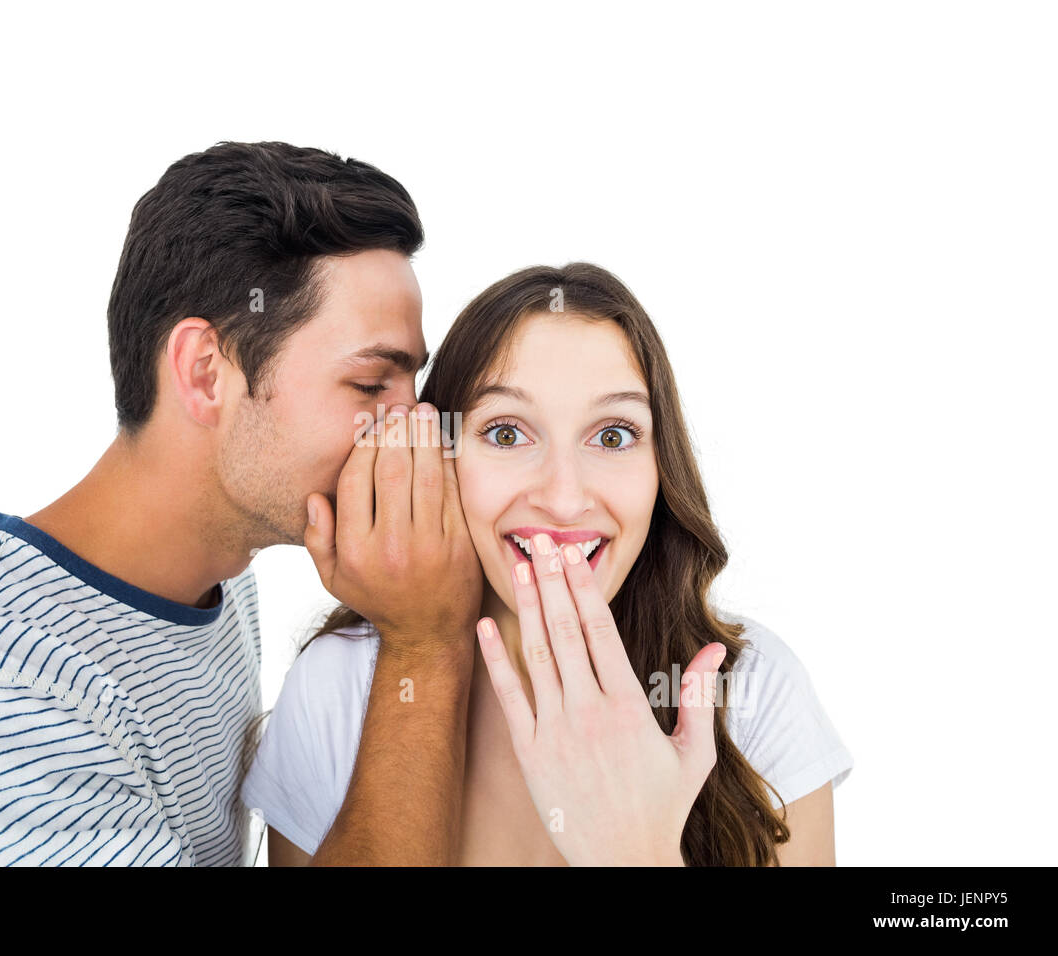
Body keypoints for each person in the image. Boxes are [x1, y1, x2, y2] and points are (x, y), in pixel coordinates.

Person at [0, 141, 482, 866]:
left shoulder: (214, 577)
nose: (418, 431)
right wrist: (425, 644)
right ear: (206, 372)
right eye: (373, 385)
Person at [243, 262, 856, 865]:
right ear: (437, 455)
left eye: (613, 435)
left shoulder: (749, 690)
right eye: (507, 434)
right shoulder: (339, 689)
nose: (564, 498)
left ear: (660, 470)